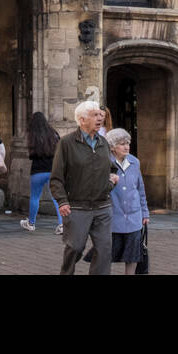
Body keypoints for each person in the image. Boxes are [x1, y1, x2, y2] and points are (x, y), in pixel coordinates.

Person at [50, 100, 119, 275]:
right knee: (75, 248)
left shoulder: (103, 142)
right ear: (82, 120)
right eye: (94, 115)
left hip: (103, 207)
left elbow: (110, 168)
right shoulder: (66, 143)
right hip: (77, 207)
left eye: (100, 115)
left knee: (104, 250)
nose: (100, 118)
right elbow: (56, 177)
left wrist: (111, 182)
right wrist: (62, 201)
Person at [106, 128, 149, 274]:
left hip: (134, 217)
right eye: (122, 144)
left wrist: (145, 213)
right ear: (112, 147)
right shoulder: (105, 163)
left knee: (132, 256)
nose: (126, 147)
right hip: (113, 217)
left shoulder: (134, 162)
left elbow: (140, 189)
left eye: (128, 143)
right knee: (108, 255)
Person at [20, 111, 64, 235]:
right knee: (56, 197)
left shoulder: (31, 135)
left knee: (35, 197)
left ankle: (31, 223)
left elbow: (30, 154)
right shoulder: (53, 134)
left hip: (38, 170)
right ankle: (61, 224)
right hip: (53, 169)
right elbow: (60, 150)